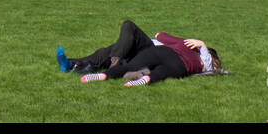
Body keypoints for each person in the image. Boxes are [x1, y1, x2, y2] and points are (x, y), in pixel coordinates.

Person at [56, 20, 225, 86]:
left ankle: (114, 63)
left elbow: (163, 36)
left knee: (128, 27)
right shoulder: (190, 53)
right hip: (152, 50)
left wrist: (199, 43)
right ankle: (71, 64)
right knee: (110, 49)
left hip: (151, 49)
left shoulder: (189, 47)